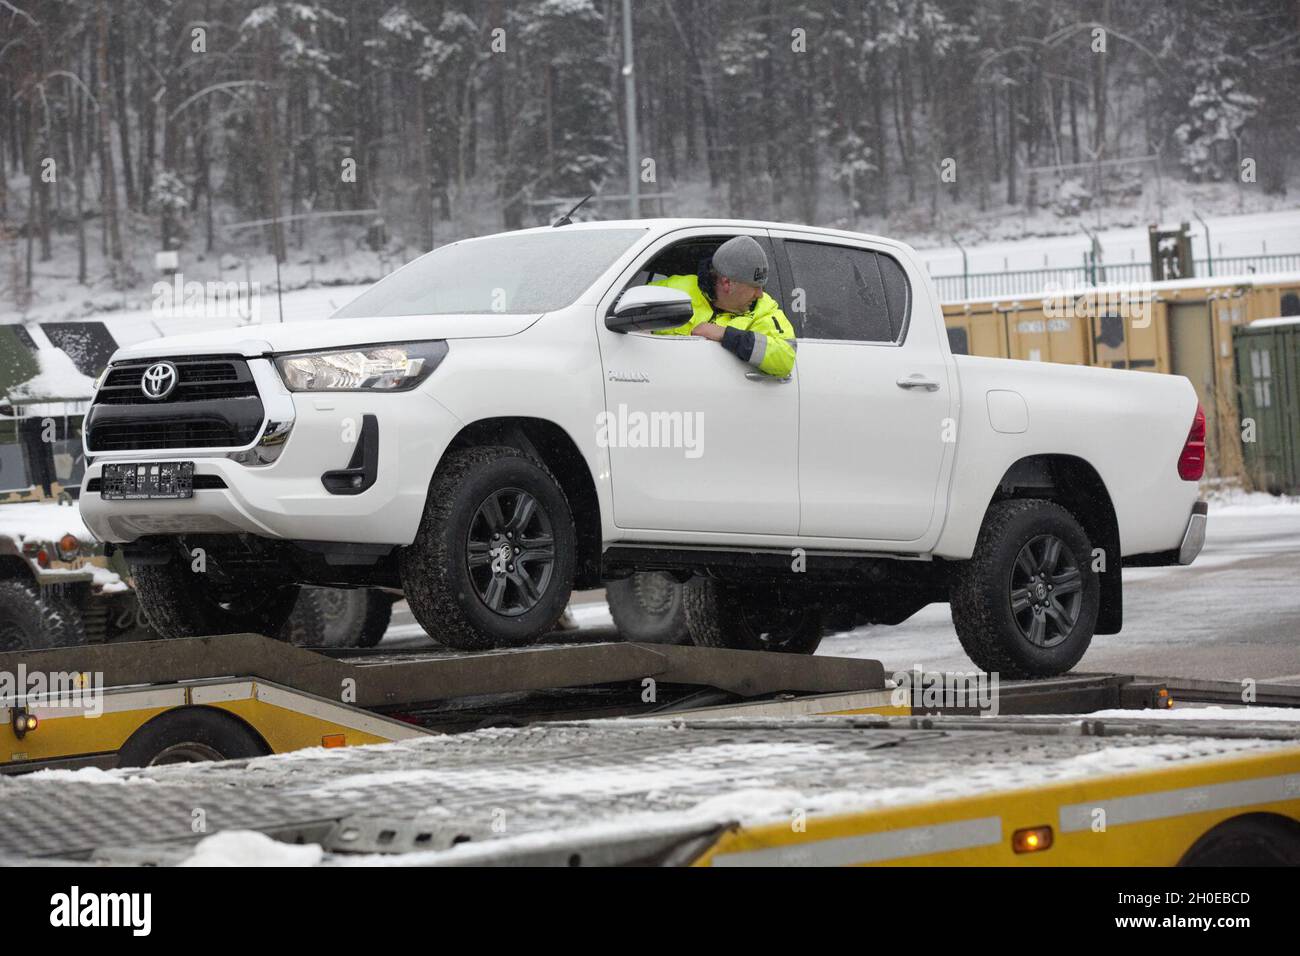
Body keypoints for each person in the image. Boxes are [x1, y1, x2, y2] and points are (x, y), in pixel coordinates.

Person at [650, 235, 796, 377]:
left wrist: (725, 335)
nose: (760, 294)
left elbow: (785, 358)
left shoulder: (764, 308)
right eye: (754, 287)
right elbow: (631, 309)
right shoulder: (674, 290)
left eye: (762, 286)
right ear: (727, 283)